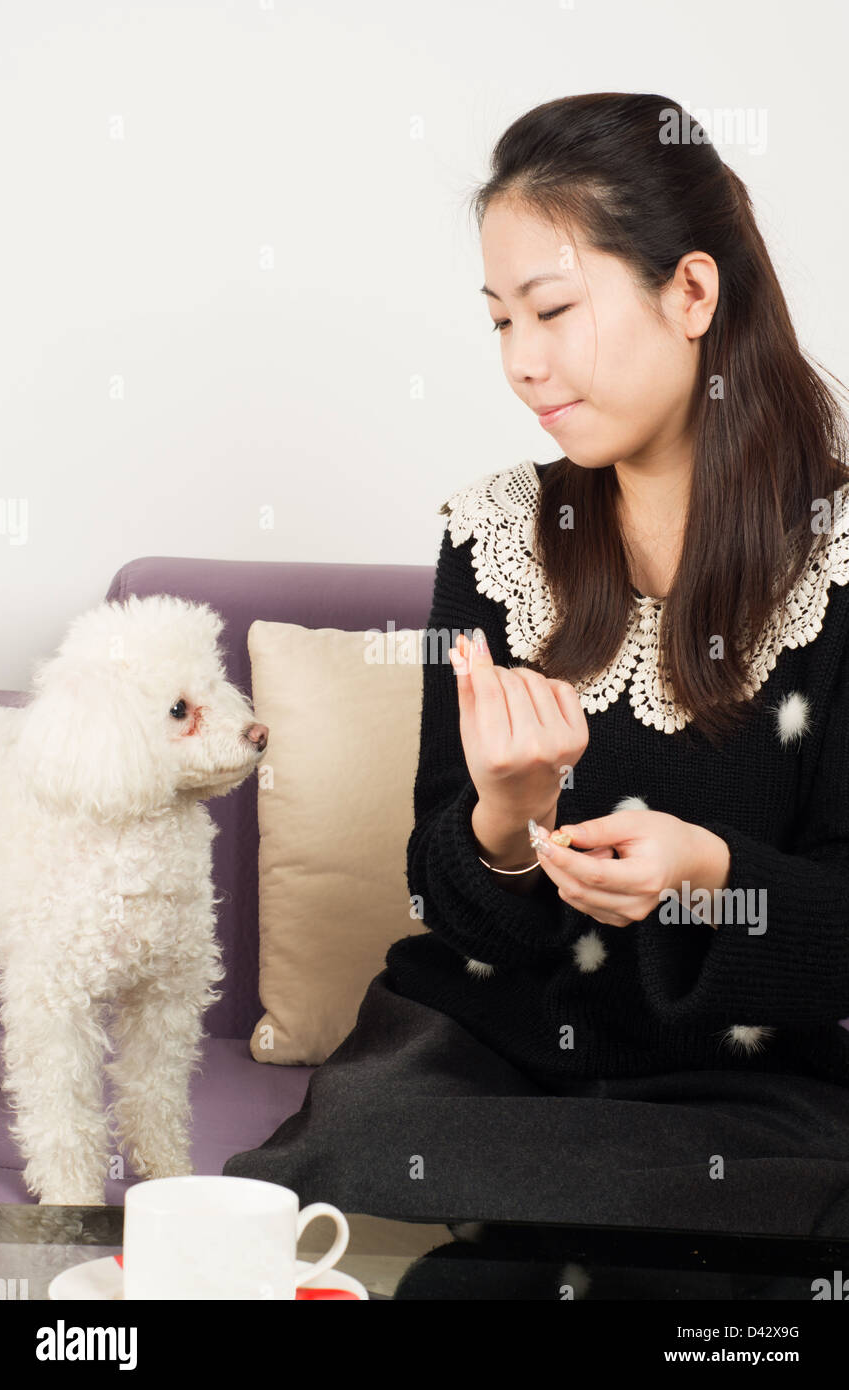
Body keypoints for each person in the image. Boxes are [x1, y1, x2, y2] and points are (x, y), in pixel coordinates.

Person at [224, 94, 849, 1271]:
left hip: (742, 1081)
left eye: (553, 310)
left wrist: (709, 878)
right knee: (363, 1135)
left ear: (692, 295)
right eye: (500, 319)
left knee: (770, 1193)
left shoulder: (837, 556)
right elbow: (439, 890)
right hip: (490, 1058)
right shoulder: (495, 536)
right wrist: (503, 823)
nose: (522, 362)